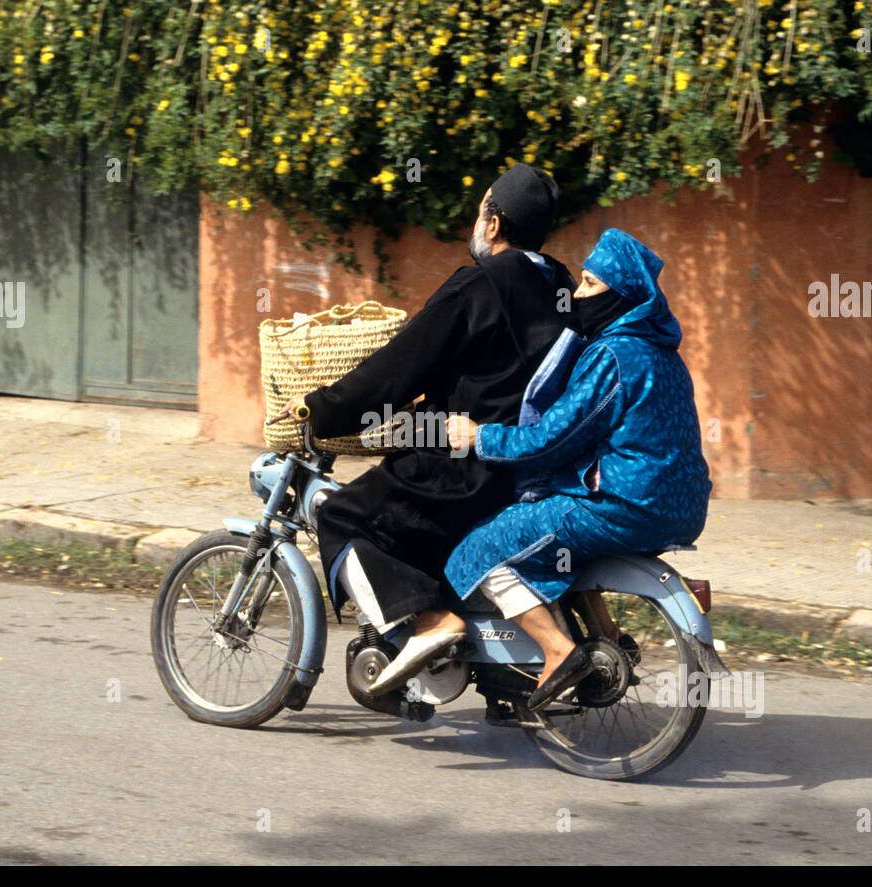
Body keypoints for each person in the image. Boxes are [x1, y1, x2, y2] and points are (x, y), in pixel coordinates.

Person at [277, 164, 576, 695]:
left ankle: (429, 624)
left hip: (461, 466)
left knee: (344, 516)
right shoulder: (559, 284)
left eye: (482, 206)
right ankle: (502, 687)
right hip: (526, 463)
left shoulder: (478, 285)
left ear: (493, 223)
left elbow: (397, 369)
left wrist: (320, 409)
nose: (477, 217)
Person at [443, 228, 713, 710]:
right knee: (564, 541)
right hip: (682, 508)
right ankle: (606, 638)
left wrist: (479, 436)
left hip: (625, 505)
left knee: (478, 549)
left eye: (589, 283)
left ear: (622, 294)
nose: (578, 294)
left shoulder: (612, 354)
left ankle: (556, 652)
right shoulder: (664, 355)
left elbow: (553, 437)